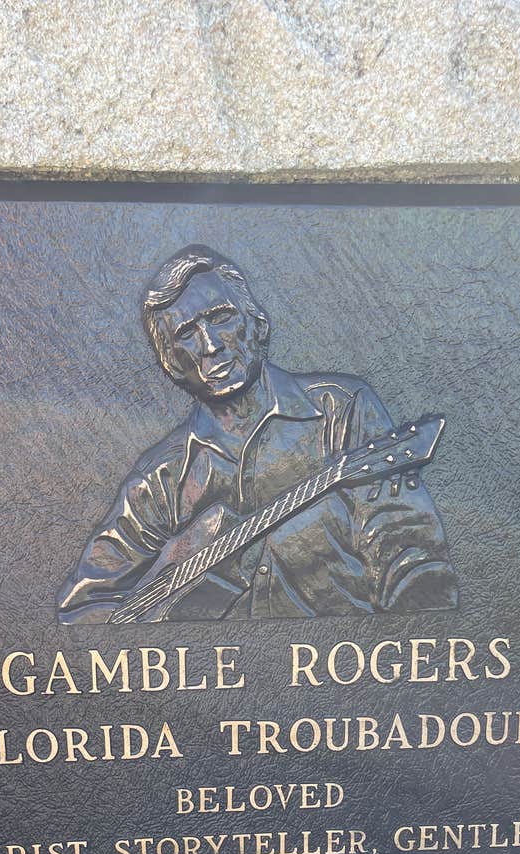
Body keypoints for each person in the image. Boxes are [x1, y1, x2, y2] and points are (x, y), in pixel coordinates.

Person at [57, 244, 457, 624]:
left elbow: (407, 548)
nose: (210, 345)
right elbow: (82, 614)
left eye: (220, 317)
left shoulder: (342, 409)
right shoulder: (160, 477)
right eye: (186, 334)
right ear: (170, 363)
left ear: (257, 322)